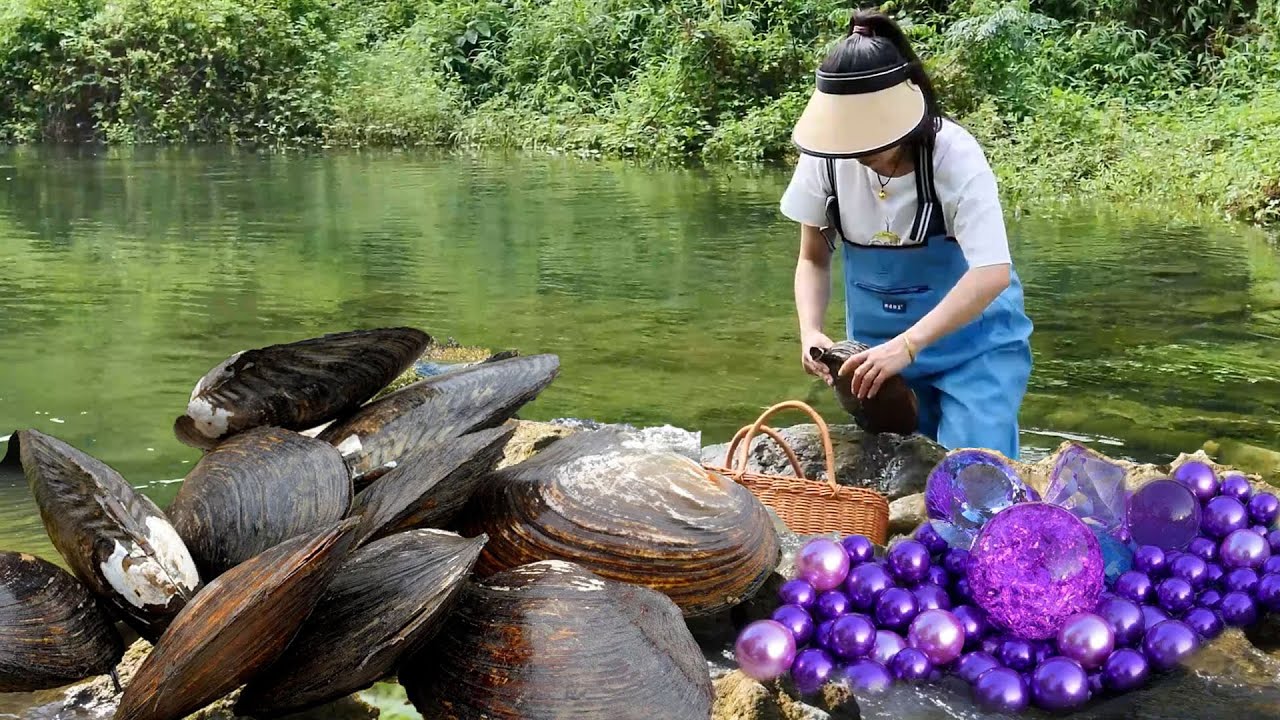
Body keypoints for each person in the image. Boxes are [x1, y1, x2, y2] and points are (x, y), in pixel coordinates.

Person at [779, 8, 1034, 459]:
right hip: (879, 359)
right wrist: (811, 331)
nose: (858, 154)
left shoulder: (952, 156)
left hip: (976, 350)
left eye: (870, 141)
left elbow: (992, 272)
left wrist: (909, 345)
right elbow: (813, 257)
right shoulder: (825, 157)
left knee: (973, 473)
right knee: (898, 472)